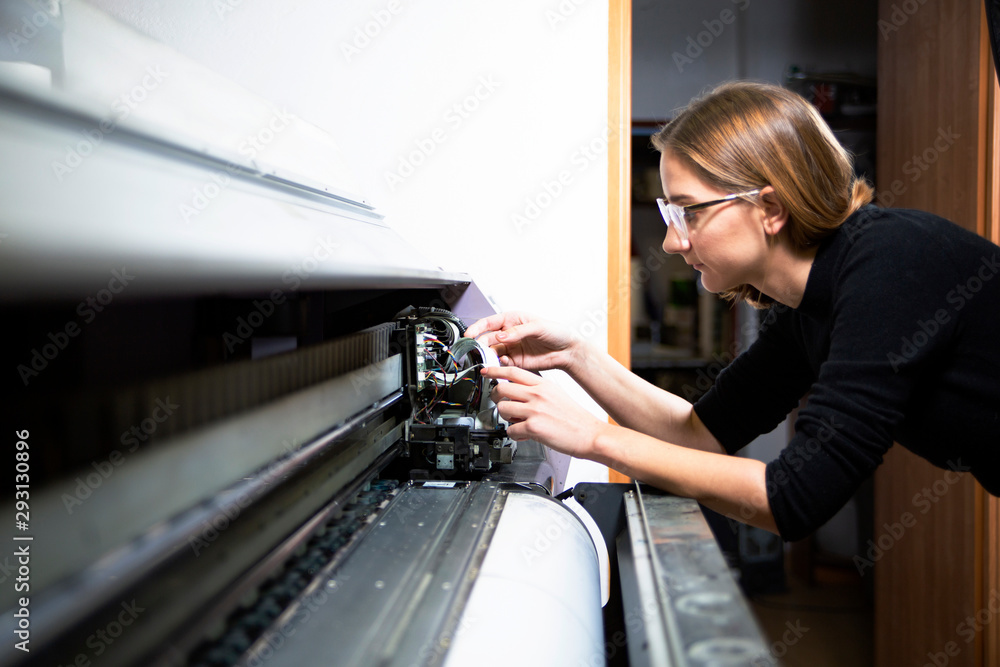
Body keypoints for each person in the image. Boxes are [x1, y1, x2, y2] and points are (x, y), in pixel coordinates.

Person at [465, 81, 1000, 541]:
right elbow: (702, 433)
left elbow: (795, 496)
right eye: (668, 211)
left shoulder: (889, 264)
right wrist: (578, 356)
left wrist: (594, 438)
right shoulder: (809, 308)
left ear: (769, 208)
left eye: (689, 212)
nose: (673, 242)